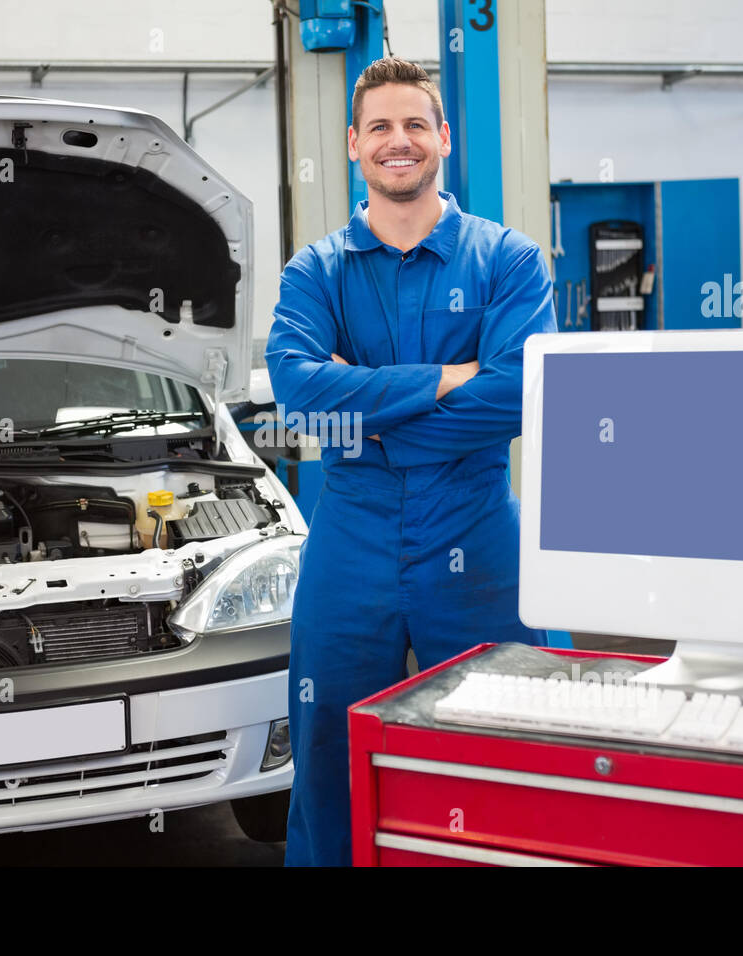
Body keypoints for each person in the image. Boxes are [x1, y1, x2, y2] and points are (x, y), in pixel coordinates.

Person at [265, 56, 557, 866]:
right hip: (351, 532)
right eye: (382, 127)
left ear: (445, 139)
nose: (401, 142)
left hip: (475, 524)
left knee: (511, 726)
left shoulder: (508, 260)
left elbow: (522, 396)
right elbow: (298, 392)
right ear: (354, 143)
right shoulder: (315, 271)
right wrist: (441, 381)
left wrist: (374, 418)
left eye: (416, 125)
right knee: (326, 740)